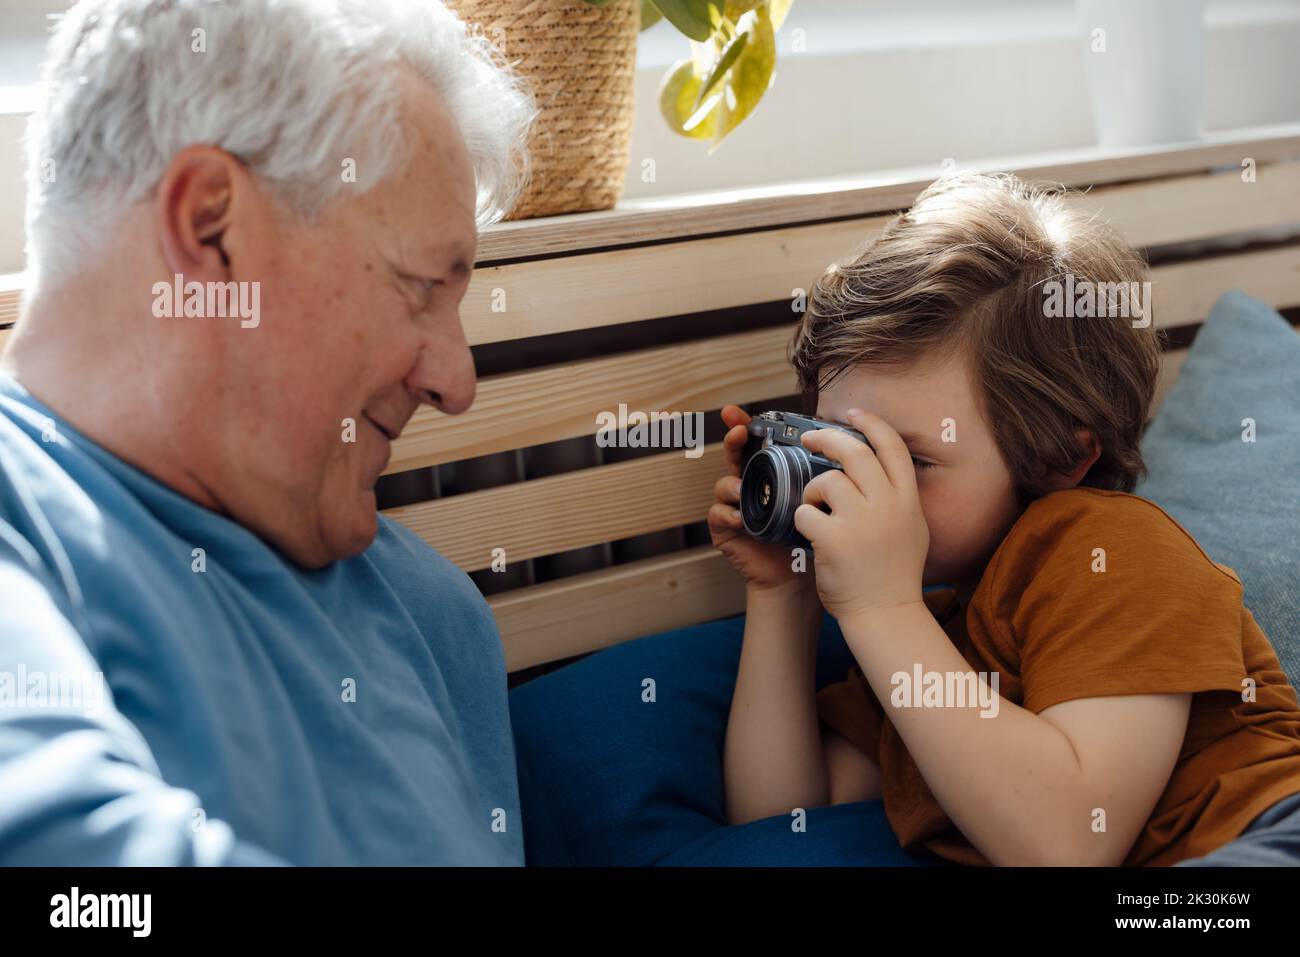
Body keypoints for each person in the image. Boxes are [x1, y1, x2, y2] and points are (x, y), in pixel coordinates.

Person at [0, 0, 536, 865]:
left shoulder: (431, 613)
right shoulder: (21, 514)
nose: (457, 380)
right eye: (420, 287)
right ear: (210, 229)